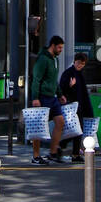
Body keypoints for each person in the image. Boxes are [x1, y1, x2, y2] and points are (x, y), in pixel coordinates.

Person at [30, 35, 67, 165]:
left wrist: (60, 94)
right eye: (59, 47)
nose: (61, 50)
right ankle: (36, 155)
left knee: (60, 121)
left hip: (52, 97)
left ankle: (52, 152)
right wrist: (35, 97)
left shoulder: (54, 59)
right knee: (39, 126)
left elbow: (53, 80)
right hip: (42, 97)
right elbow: (37, 78)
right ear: (53, 45)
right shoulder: (43, 59)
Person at [58, 53, 93, 162]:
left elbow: (83, 93)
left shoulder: (80, 74)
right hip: (71, 107)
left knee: (77, 130)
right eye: (78, 63)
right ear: (74, 61)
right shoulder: (69, 73)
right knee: (75, 130)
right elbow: (62, 88)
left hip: (79, 106)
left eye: (82, 63)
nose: (80, 65)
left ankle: (71, 151)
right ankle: (67, 149)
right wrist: (70, 86)